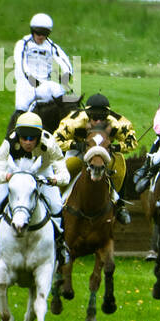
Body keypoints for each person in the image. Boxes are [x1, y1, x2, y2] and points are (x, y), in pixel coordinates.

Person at [0, 112, 70, 263]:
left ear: (39, 137)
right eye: (24, 138)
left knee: (56, 204)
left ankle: (60, 245)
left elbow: (64, 175)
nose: (27, 142)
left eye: (32, 138)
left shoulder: (50, 143)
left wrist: (54, 180)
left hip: (42, 173)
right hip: (15, 172)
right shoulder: (9, 142)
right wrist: (6, 177)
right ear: (17, 135)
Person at [54, 93, 139, 225]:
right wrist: (75, 145)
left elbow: (132, 142)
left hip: (105, 151)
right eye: (94, 118)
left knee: (120, 165)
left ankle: (120, 203)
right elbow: (56, 140)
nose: (98, 122)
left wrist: (116, 148)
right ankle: (58, 202)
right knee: (68, 167)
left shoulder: (118, 123)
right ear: (87, 115)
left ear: (108, 116)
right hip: (79, 151)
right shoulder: (73, 122)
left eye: (102, 118)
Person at [13, 13, 74, 113]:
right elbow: (20, 63)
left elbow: (64, 60)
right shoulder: (23, 43)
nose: (41, 36)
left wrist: (67, 74)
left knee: (58, 90)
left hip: (43, 84)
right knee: (21, 107)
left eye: (45, 33)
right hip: (25, 84)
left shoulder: (50, 45)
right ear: (32, 31)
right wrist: (30, 78)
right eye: (38, 33)